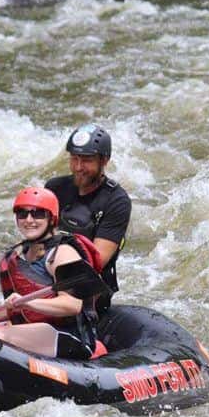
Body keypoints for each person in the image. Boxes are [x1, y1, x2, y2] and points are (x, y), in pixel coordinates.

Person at [0, 187, 102, 359]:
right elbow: (20, 309)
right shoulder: (17, 256)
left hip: (72, 337)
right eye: (22, 214)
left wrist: (28, 303)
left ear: (51, 218)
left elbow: (72, 305)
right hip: (39, 331)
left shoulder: (63, 253)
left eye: (38, 214)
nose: (29, 220)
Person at [45, 124, 131, 312]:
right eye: (74, 159)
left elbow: (97, 260)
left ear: (104, 160)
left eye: (86, 161)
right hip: (48, 274)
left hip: (89, 288)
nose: (78, 167)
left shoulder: (117, 200)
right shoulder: (54, 188)